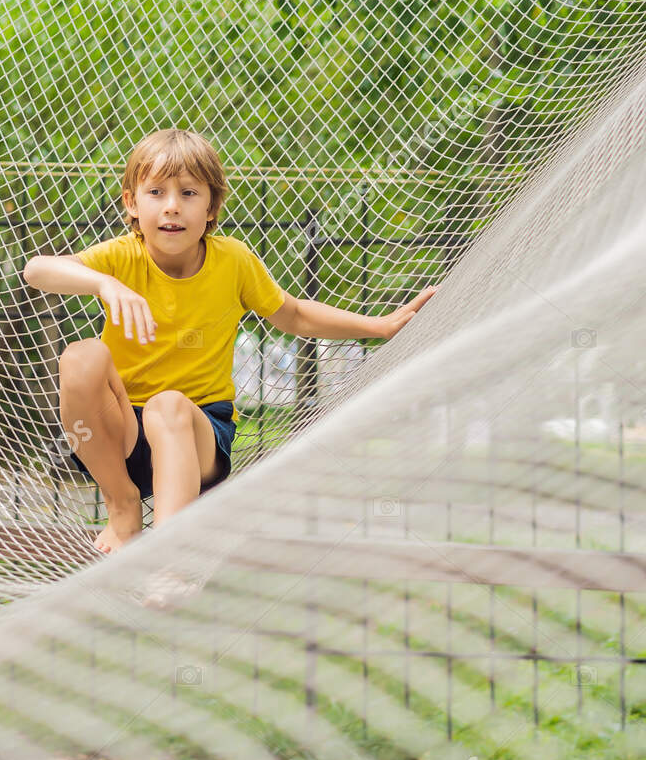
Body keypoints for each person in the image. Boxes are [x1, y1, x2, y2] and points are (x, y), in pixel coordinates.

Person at [23, 128, 438, 561]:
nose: (171, 206)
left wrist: (380, 325)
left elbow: (293, 314)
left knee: (169, 406)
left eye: (188, 193)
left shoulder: (233, 260)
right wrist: (104, 284)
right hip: (123, 435)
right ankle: (123, 506)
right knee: (81, 356)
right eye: (156, 192)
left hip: (196, 437)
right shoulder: (124, 256)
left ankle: (169, 560)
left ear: (211, 207)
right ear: (132, 203)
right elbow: (36, 270)